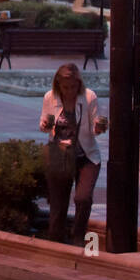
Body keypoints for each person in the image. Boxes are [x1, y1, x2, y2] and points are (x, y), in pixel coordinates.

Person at [39, 62, 108, 245]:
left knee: (83, 198)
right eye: (65, 87)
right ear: (58, 85)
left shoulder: (88, 97)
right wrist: (46, 125)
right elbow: (43, 124)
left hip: (86, 156)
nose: (69, 91)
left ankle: (78, 237)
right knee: (58, 205)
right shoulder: (50, 97)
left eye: (73, 87)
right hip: (60, 156)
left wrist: (100, 127)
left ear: (78, 84)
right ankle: (56, 243)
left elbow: (94, 128)